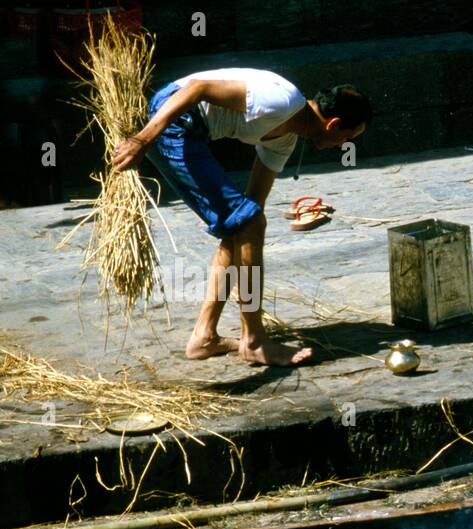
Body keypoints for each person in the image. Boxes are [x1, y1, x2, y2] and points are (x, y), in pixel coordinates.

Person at [111, 69, 372, 366]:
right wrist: (142, 140)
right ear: (334, 124)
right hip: (172, 119)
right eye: (348, 138)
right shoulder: (282, 102)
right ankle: (253, 340)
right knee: (247, 223)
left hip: (187, 128)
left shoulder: (284, 139)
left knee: (242, 225)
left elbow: (249, 213)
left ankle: (204, 337)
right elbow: (198, 87)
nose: (344, 145)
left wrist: (242, 229)